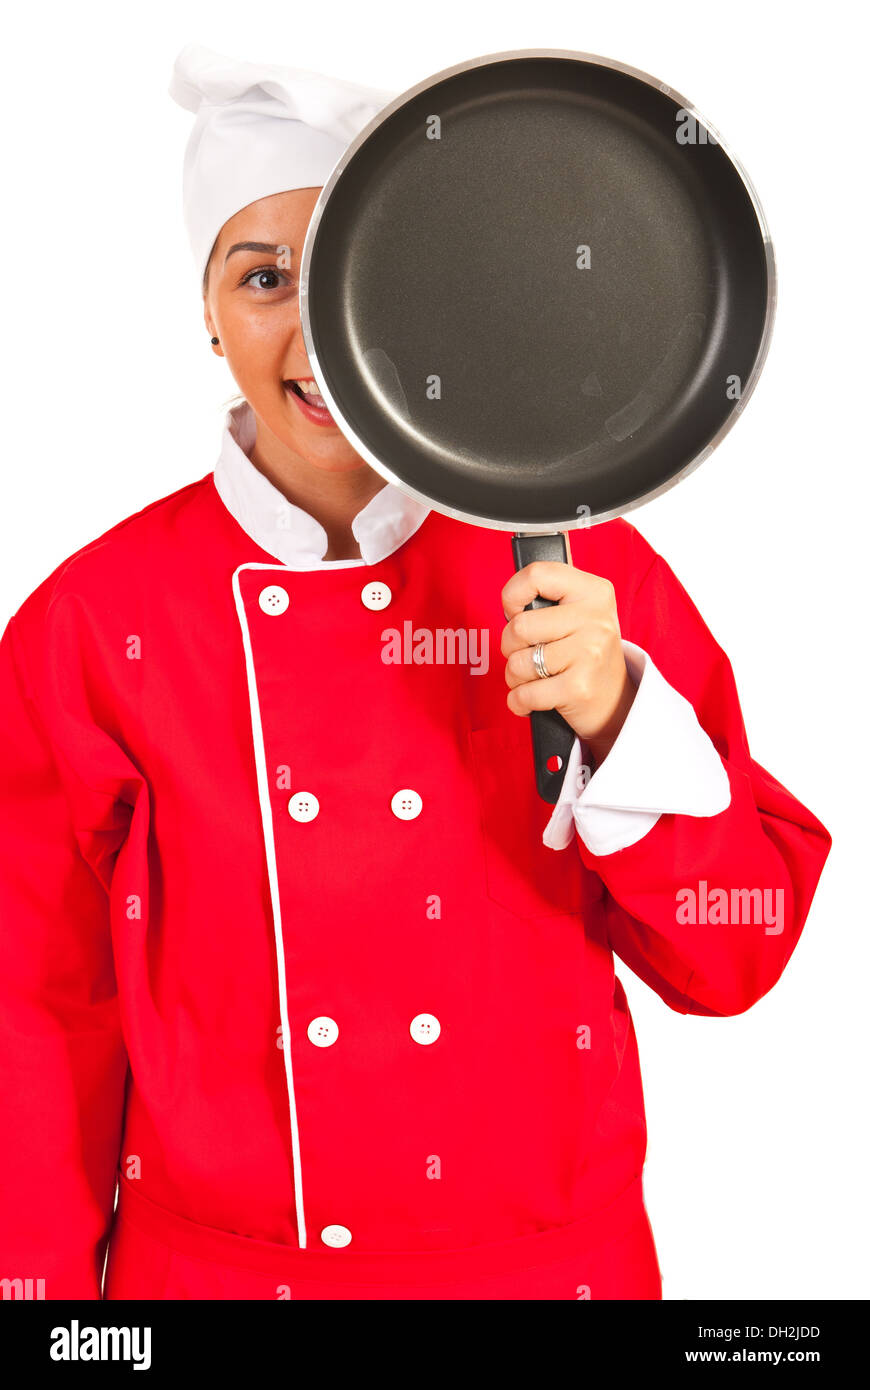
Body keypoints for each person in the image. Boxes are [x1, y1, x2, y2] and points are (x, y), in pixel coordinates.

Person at [0, 42, 831, 1302]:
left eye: (354, 278)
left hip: (553, 1283)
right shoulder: (93, 621)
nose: (315, 327)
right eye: (265, 275)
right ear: (205, 311)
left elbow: (739, 951)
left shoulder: (588, 569)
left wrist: (618, 721)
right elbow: (37, 1023)